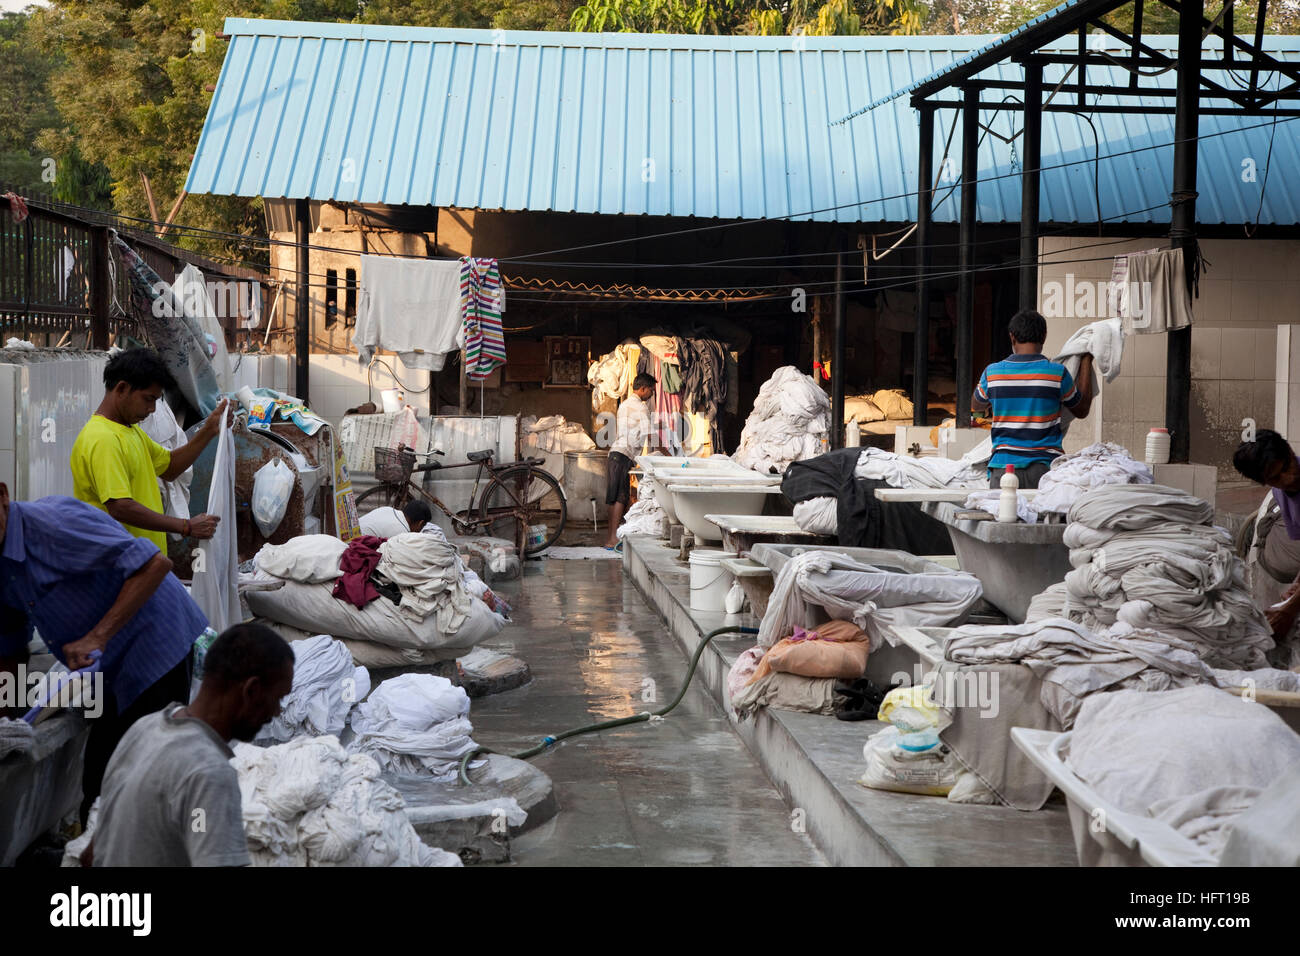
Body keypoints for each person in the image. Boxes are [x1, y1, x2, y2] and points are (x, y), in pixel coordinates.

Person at [0, 486, 209, 822]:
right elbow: (9, 647)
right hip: (104, 668)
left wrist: (97, 636)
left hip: (153, 643)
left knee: (137, 777)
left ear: (3, 496)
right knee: (101, 778)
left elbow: (155, 564)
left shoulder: (53, 523)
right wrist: (7, 722)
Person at [87, 622, 294, 867]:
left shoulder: (144, 729)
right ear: (252, 690)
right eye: (277, 699)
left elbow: (90, 855)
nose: (277, 712)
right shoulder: (209, 774)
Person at [70, 347, 229, 554]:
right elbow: (120, 507)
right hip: (118, 566)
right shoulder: (103, 438)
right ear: (121, 389)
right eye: (149, 399)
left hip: (141, 563)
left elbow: (170, 468)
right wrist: (185, 526)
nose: (153, 409)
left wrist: (209, 430)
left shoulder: (130, 431)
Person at [971, 309, 1094, 489]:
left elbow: (976, 406)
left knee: (1003, 515)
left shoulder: (992, 373)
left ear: (1012, 337)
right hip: (1043, 470)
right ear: (1043, 337)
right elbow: (1081, 410)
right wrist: (1086, 362)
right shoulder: (1057, 373)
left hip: (1003, 470)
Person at [1232, 429, 1300, 639]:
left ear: (1289, 450)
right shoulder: (1281, 494)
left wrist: (1291, 608)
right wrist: (1296, 587)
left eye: (1286, 467)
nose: (1288, 479)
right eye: (1275, 478)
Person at [604, 373, 657, 548]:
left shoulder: (624, 405)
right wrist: (666, 455)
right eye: (651, 390)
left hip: (614, 454)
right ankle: (613, 538)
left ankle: (611, 538)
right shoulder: (641, 408)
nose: (651, 394)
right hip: (623, 455)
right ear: (643, 389)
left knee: (613, 497)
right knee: (621, 497)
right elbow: (650, 435)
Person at [358, 499, 438, 538]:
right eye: (422, 527)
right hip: (351, 549)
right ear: (420, 523)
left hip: (348, 536)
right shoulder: (402, 535)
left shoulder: (388, 509)